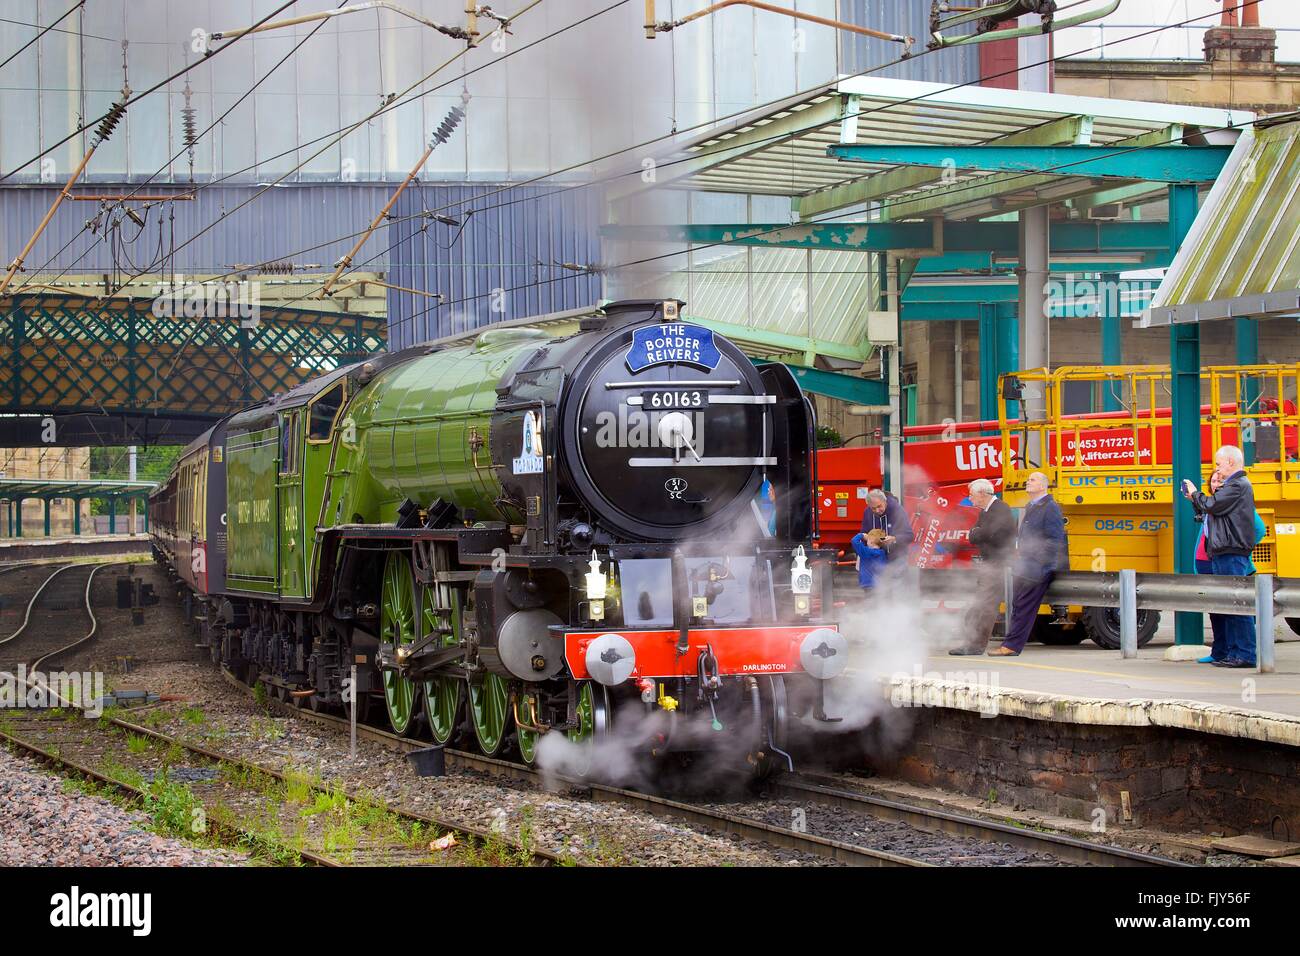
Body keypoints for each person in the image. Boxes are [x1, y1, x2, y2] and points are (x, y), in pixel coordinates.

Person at [1183, 445, 1258, 668]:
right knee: (1229, 605)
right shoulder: (1236, 486)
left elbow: (1212, 504)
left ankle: (1245, 654)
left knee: (1236, 604)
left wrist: (1196, 493)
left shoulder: (1237, 485)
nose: (1216, 468)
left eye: (1218, 463)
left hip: (1231, 552)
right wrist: (1197, 500)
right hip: (1226, 551)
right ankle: (1235, 652)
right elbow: (1212, 509)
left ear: (1231, 463)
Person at [990, 471, 1069, 657]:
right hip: (1025, 565)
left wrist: (1037, 559)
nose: (1028, 482)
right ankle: (1010, 643)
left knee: (1024, 606)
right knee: (1017, 604)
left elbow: (1055, 539)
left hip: (1038, 568)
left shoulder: (1050, 507)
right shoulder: (1031, 506)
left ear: (1043, 485)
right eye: (1028, 480)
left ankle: (1012, 646)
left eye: (1032, 480)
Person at [951, 478, 1017, 655]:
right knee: (979, 604)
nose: (970, 499)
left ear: (982, 494)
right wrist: (978, 533)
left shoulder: (1000, 508)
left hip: (998, 563)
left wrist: (977, 533)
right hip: (989, 563)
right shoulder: (985, 512)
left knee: (985, 605)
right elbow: (975, 534)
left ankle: (975, 645)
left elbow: (986, 533)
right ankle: (972, 642)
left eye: (972, 495)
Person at [861, 489, 914, 565]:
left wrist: (894, 539)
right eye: (873, 508)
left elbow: (909, 536)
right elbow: (863, 533)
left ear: (885, 501)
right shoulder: (867, 512)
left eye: (879, 506)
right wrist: (866, 539)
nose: (877, 510)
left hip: (897, 558)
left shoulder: (897, 510)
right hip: (875, 559)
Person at [849, 528, 889, 592]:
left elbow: (854, 541)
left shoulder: (866, 552)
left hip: (868, 584)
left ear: (871, 541)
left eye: (868, 539)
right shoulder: (882, 553)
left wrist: (862, 535)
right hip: (880, 584)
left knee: (870, 601)